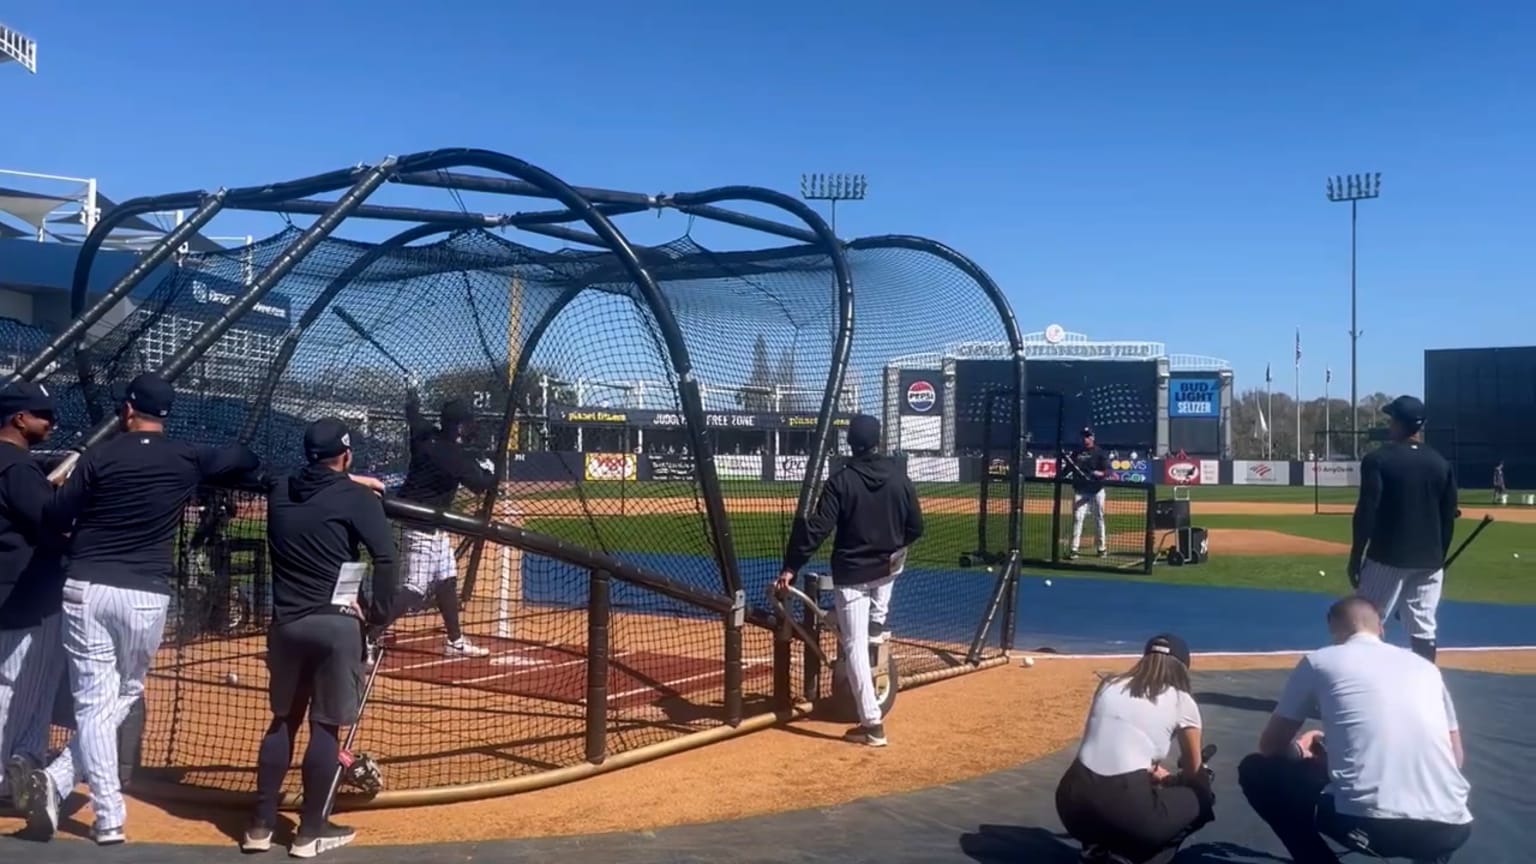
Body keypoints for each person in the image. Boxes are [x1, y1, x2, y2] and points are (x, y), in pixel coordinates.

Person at [23, 373, 262, 845]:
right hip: (145, 593)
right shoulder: (187, 456)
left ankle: (86, 798)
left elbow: (55, 515)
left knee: (95, 701)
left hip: (86, 583)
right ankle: (87, 799)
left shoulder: (99, 455)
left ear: (128, 411)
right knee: (125, 693)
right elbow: (243, 457)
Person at [242, 418, 399, 858]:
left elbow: (296, 478)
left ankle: (259, 826)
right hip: (336, 625)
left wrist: (347, 478)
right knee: (325, 727)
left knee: (283, 722)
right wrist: (379, 617)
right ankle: (311, 831)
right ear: (345, 455)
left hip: (287, 625)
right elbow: (386, 558)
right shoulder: (356, 497)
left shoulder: (280, 488)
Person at [1238, 596, 1472, 863]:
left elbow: (1271, 746)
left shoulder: (1320, 661)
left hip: (1373, 826)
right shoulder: (1427, 668)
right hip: (1452, 826)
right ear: (1381, 628)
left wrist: (1302, 751)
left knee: (1256, 771)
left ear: (1334, 630)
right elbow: (1456, 758)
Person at [775, 415, 923, 747]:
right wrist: (893, 545)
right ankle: (877, 621)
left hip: (853, 573)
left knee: (853, 646)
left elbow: (817, 529)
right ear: (878, 441)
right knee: (873, 618)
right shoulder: (900, 478)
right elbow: (916, 528)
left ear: (850, 444)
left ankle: (872, 724)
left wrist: (791, 566)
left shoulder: (840, 481)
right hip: (888, 568)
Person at [1055, 634, 1214, 864]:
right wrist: (1185, 782)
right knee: (1202, 799)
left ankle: (1095, 848)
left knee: (1124, 799)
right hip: (1125, 808)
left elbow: (1113, 744)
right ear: (1183, 668)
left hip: (1071, 804)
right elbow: (1194, 773)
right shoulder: (1183, 701)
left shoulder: (1108, 684)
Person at [1348, 395, 1458, 663]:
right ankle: (1427, 688)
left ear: (1398, 423)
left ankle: (1363, 692)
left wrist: (1356, 555)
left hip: (1388, 556)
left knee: (1366, 622)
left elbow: (1367, 511)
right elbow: (1448, 519)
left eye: (1392, 419)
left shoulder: (1378, 459)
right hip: (1430, 560)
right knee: (1423, 625)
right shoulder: (1441, 463)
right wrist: (1439, 558)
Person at [0, 382, 67, 810]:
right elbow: (52, 524)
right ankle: (14, 774)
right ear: (19, 419)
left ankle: (15, 770)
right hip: (29, 594)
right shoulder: (20, 469)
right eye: (43, 414)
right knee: (25, 685)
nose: (50, 422)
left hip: (7, 587)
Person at [395, 387, 496, 658]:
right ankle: (367, 638)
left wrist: (413, 397)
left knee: (447, 580)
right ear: (459, 425)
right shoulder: (452, 456)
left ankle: (455, 640)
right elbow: (479, 484)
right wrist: (489, 468)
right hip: (421, 527)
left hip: (429, 525)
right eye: (467, 423)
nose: (471, 427)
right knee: (414, 591)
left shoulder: (424, 433)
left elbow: (412, 415)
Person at [1067, 426, 1111, 560]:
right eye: (1083, 436)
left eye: (1087, 436)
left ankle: (1101, 548)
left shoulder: (1100, 453)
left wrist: (1100, 473)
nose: (1085, 439)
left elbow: (1108, 471)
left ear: (1092, 437)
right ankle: (1074, 549)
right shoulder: (1077, 452)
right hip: (1081, 490)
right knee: (1078, 518)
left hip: (1097, 490)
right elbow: (1069, 467)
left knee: (1099, 518)